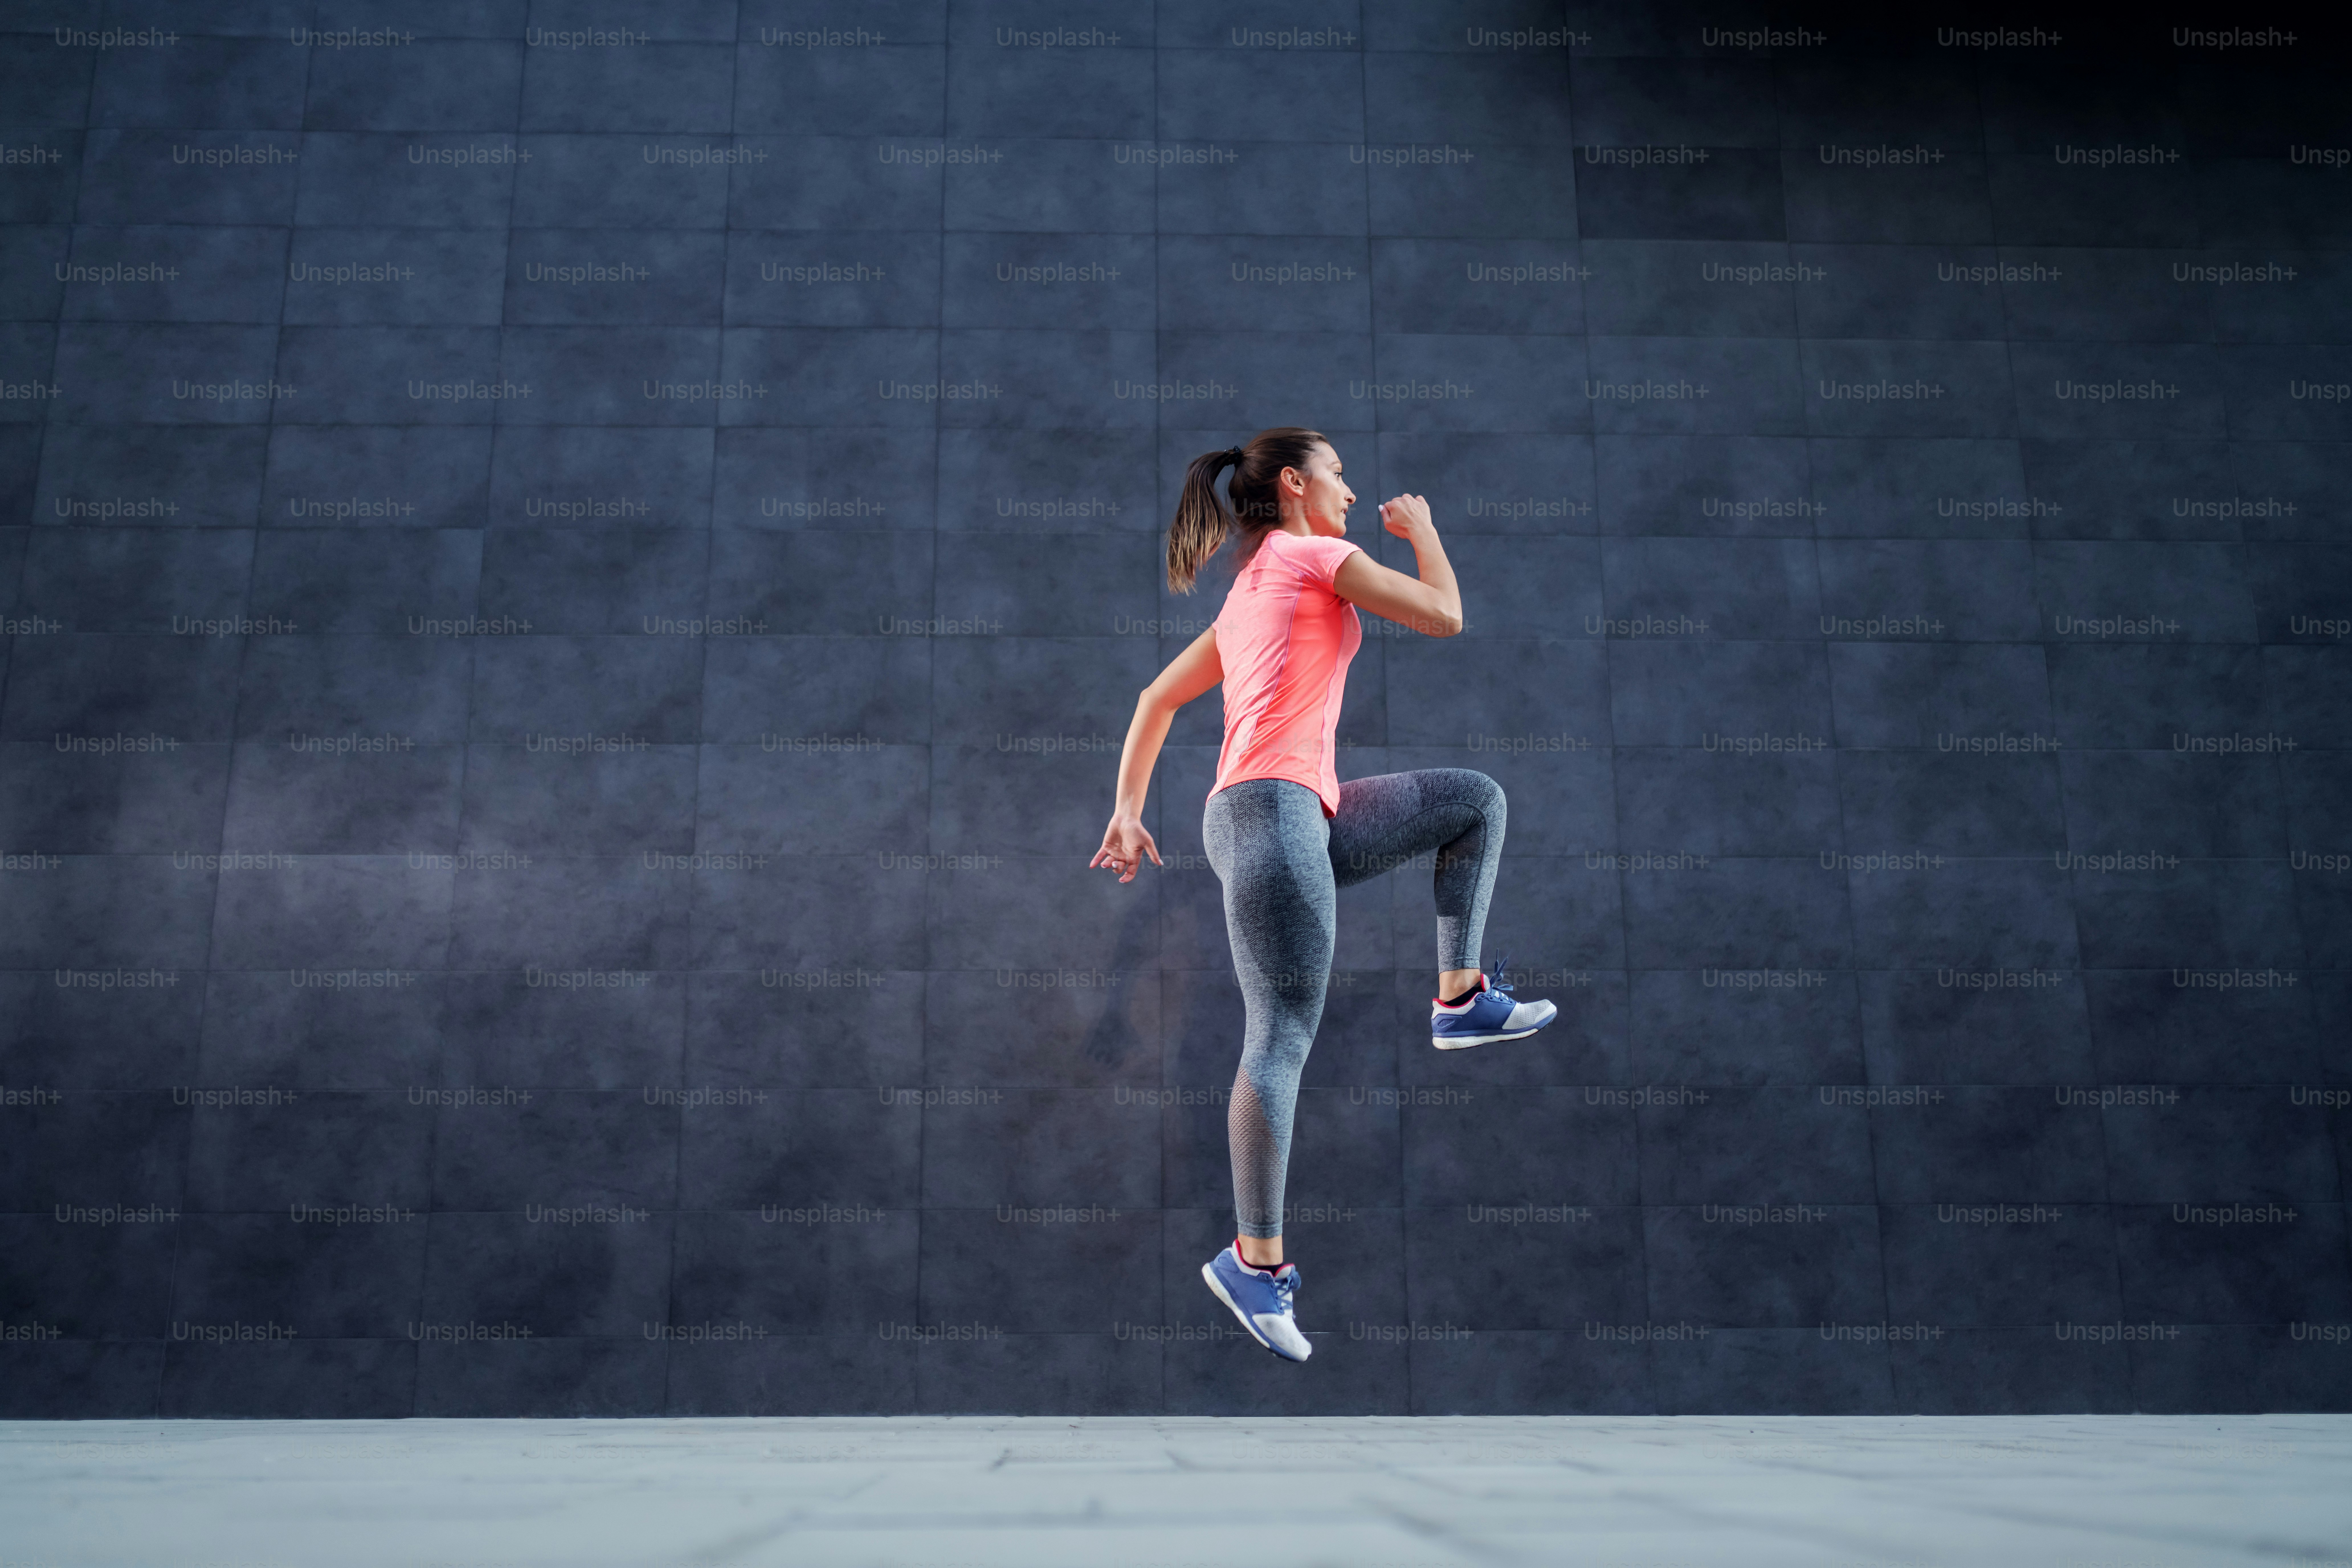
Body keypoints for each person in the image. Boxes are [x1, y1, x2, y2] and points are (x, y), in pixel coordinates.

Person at [1090, 426, 1559, 1362]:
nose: (1351, 490)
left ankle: (1461, 998)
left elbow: (1154, 699)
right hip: (1273, 814)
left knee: (1473, 802)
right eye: (1338, 474)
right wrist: (1424, 532)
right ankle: (1252, 1263)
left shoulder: (1250, 590)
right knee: (1280, 1039)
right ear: (1296, 485)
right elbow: (1445, 616)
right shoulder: (1311, 556)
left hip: (1287, 813)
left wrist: (1128, 813)